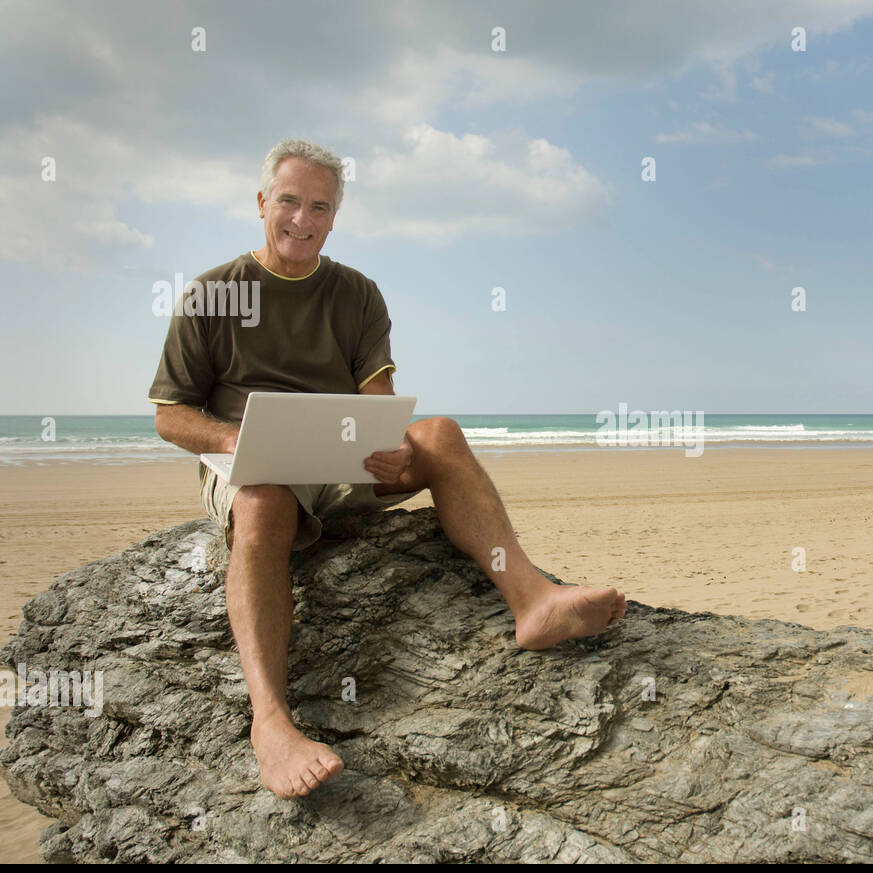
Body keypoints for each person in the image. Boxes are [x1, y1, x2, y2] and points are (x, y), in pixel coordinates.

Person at [148, 138, 627, 799]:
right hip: (249, 461)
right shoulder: (211, 294)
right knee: (261, 495)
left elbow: (378, 402)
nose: (302, 218)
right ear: (262, 203)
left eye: (319, 206)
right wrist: (234, 439)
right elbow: (169, 414)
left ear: (333, 219)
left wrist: (396, 447)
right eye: (289, 201)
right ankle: (271, 721)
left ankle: (534, 600)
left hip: (339, 459)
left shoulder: (356, 294)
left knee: (439, 433)